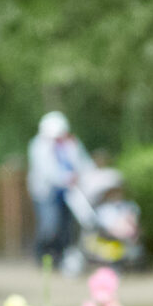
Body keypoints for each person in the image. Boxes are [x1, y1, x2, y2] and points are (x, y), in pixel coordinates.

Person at [27, 111, 92, 268]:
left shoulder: (72, 143)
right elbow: (46, 171)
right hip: (47, 194)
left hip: (70, 193)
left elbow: (84, 163)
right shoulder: (38, 145)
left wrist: (84, 176)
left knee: (66, 227)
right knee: (50, 226)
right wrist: (66, 178)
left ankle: (59, 258)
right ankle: (42, 256)